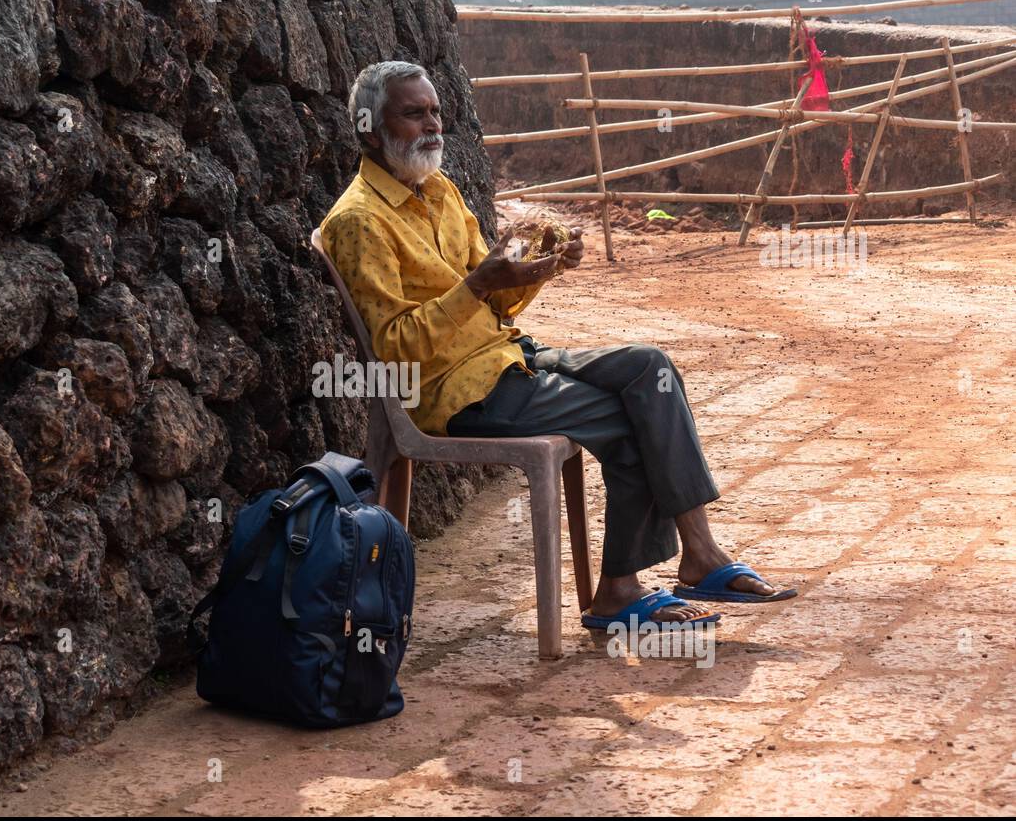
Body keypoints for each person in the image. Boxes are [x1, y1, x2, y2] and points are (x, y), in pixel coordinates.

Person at [319, 60, 796, 628]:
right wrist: (478, 286)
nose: (433, 126)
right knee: (626, 415)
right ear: (372, 129)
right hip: (453, 390)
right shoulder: (358, 221)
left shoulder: (438, 190)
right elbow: (394, 352)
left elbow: (493, 298)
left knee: (649, 369)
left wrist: (537, 271)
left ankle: (699, 552)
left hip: (508, 355)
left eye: (436, 112)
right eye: (414, 114)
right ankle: (619, 590)